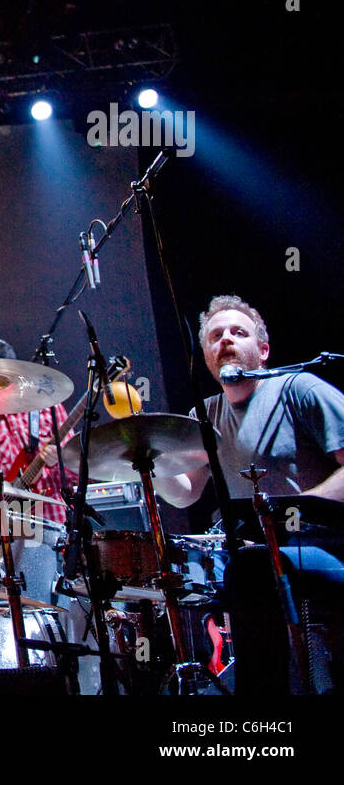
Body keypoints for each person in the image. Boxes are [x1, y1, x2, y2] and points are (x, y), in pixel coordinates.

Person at [152, 295, 344, 693]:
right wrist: (146, 454)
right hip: (254, 559)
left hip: (326, 546)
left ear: (263, 349)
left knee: (250, 570)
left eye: (238, 333)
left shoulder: (300, 389)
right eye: (215, 335)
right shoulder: (203, 415)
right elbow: (185, 494)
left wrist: (296, 508)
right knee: (191, 577)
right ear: (205, 355)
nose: (226, 340)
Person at [0, 337, 72, 524]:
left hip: (53, 517)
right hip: (10, 525)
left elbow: (77, 468)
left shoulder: (44, 405)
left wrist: (58, 461)